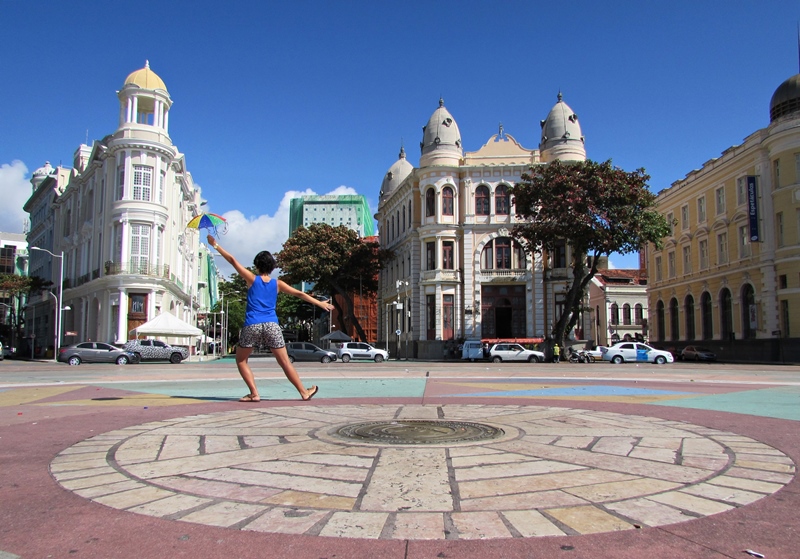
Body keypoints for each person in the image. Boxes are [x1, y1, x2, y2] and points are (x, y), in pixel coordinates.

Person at [208, 235, 333, 402]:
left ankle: (254, 393)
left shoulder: (252, 279)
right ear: (272, 267)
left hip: (252, 325)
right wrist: (319, 303)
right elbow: (300, 293)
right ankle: (303, 392)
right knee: (285, 362)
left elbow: (232, 260)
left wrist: (215, 245)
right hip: (271, 325)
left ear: (257, 265)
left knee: (241, 360)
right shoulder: (277, 284)